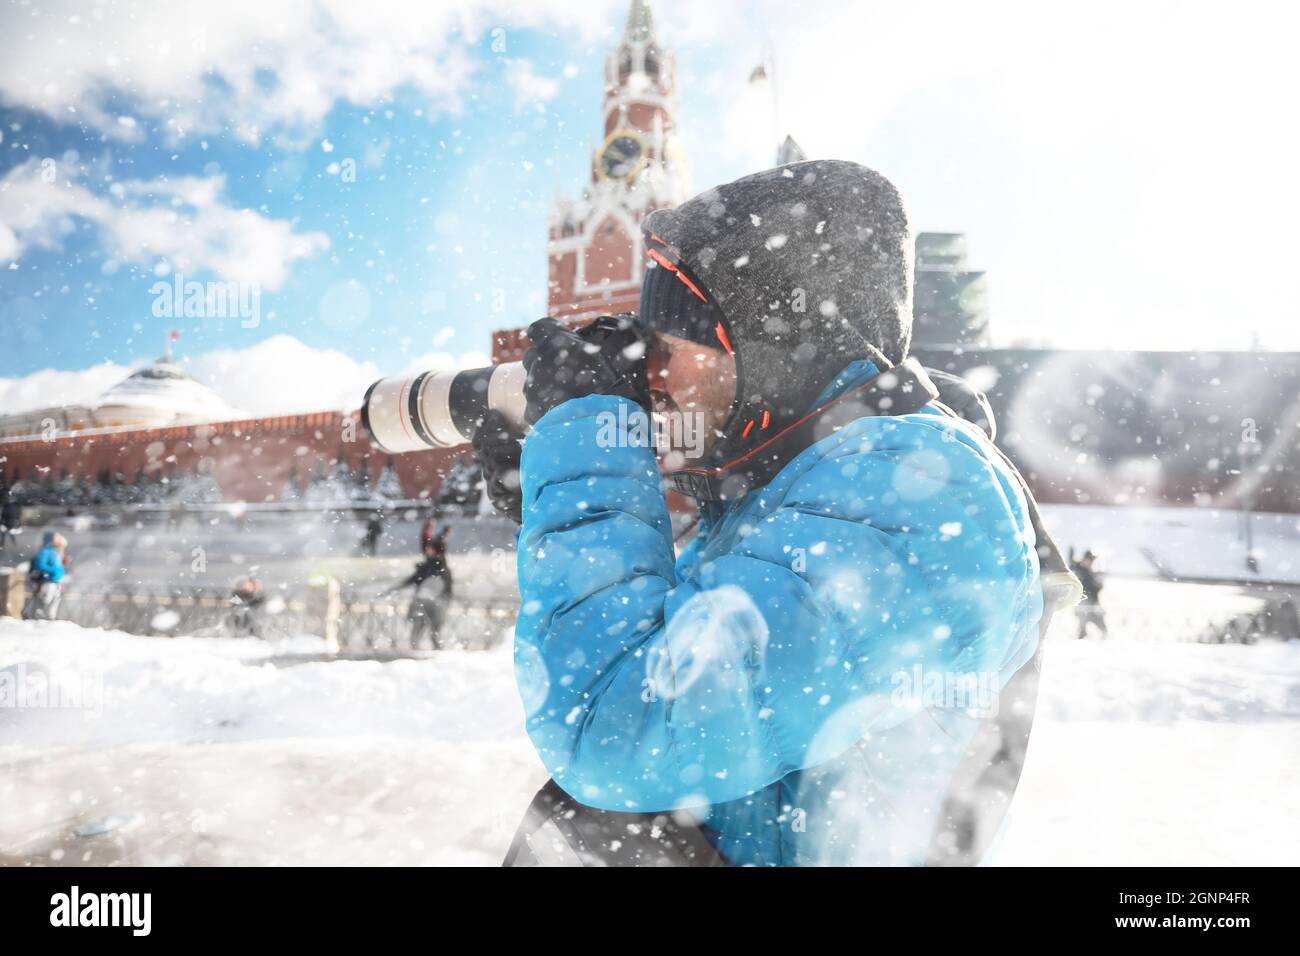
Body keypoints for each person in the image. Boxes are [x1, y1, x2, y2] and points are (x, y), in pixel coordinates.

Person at [475, 159, 1076, 867]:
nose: (653, 378)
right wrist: (560, 492)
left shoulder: (914, 492)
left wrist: (587, 456)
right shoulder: (790, 493)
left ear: (770, 347)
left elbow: (617, 728)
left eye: (670, 348)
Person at [387, 527, 453, 650]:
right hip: (433, 604)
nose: (426, 550)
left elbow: (419, 581)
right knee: (430, 632)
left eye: (429, 548)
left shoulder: (435, 567)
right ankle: (425, 652)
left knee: (425, 631)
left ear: (435, 551)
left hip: (430, 605)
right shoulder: (437, 566)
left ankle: (421, 652)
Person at [23, 530, 68, 621]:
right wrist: (54, 571)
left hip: (55, 582)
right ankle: (38, 621)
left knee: (52, 607)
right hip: (48, 582)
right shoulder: (46, 551)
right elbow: (40, 565)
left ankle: (49, 623)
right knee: (44, 604)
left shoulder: (56, 552)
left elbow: (56, 565)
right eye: (56, 537)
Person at [1069, 548, 1108, 639]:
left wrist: (1099, 585)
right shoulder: (1080, 571)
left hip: (1092, 606)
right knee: (1083, 628)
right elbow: (1088, 588)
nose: (1091, 562)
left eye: (1092, 560)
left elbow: (1095, 590)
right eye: (1090, 560)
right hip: (1084, 605)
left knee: (1102, 628)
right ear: (1085, 559)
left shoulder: (1089, 572)